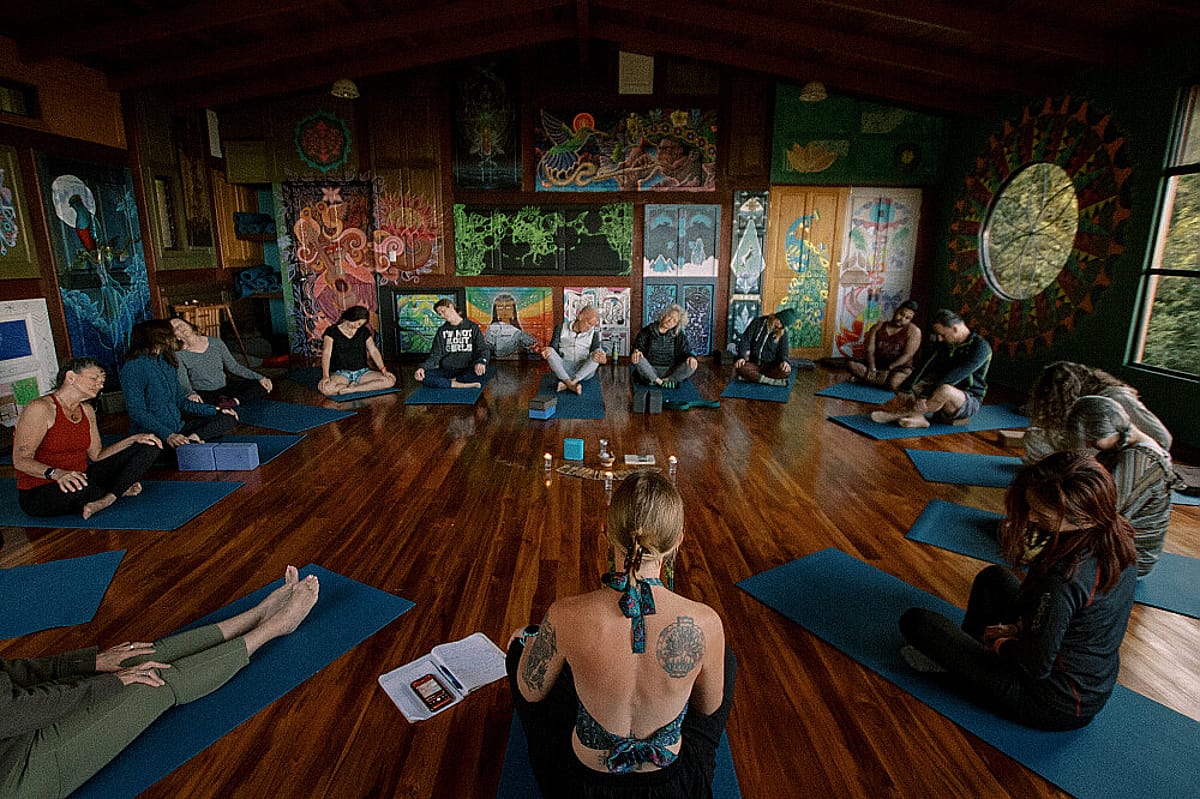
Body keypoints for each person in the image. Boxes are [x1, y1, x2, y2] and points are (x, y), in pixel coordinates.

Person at [0, 566, 319, 799]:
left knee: (137, 656)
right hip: (16, 773)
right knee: (151, 681)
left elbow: (9, 673)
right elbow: (12, 713)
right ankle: (275, 627)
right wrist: (109, 683)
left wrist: (91, 663)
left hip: (13, 728)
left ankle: (255, 615)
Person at [507, 471, 734, 798]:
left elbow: (530, 693)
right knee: (724, 659)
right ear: (678, 540)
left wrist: (527, 642)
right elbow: (709, 708)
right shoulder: (707, 622)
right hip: (672, 788)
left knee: (521, 651)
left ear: (605, 531)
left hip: (583, 787)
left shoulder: (565, 614)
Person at [898, 451, 1137, 731]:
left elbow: (1035, 667)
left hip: (1051, 700)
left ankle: (965, 664)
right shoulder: (1116, 535)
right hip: (1083, 677)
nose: (1032, 517)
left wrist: (1001, 641)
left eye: (1042, 513)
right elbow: (1065, 622)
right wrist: (1016, 629)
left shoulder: (1063, 578)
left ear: (1082, 517)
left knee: (918, 623)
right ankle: (969, 659)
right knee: (993, 578)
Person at [12, 357, 161, 519]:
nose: (100, 384)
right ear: (71, 377)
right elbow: (20, 460)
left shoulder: (87, 410)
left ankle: (107, 498)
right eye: (94, 378)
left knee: (150, 445)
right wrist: (57, 474)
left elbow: (96, 455)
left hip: (81, 477)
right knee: (87, 489)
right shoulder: (40, 408)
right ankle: (117, 490)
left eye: (102, 380)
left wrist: (133, 439)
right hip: (42, 489)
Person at [1067, 395, 1174, 577]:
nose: (1088, 444)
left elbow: (1102, 514)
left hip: (1132, 558)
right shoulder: (1126, 446)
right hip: (1117, 543)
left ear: (1110, 431)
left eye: (1092, 439)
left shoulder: (1139, 460)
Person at [120, 320, 238, 449]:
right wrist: (168, 435)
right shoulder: (133, 367)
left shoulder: (166, 362)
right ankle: (187, 445)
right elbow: (137, 412)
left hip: (179, 429)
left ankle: (192, 440)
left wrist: (216, 410)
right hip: (155, 434)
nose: (175, 336)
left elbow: (181, 401)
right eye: (170, 333)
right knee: (151, 449)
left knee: (228, 417)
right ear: (158, 337)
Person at [1024, 361, 1171, 463]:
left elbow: (1163, 439)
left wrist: (1117, 451)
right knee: (1034, 437)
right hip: (1093, 452)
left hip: (1116, 455)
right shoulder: (1077, 406)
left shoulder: (1117, 398)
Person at [870, 309, 991, 428]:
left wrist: (925, 395)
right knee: (898, 380)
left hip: (967, 399)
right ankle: (919, 417)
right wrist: (906, 387)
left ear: (955, 329)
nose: (939, 339)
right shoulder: (945, 343)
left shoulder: (981, 347)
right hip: (936, 389)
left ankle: (899, 415)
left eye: (942, 335)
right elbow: (925, 365)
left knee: (945, 390)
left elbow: (957, 374)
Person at [170, 317, 273, 408]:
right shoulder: (179, 354)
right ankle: (222, 404)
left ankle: (233, 402)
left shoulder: (216, 342)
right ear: (176, 337)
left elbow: (234, 367)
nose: (180, 328)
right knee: (195, 404)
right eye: (175, 329)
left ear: (190, 325)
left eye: (180, 324)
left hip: (225, 388)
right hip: (204, 393)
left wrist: (260, 377)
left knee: (261, 386)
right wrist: (190, 394)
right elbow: (183, 380)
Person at [318, 306, 396, 397]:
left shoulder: (363, 331)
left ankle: (354, 389)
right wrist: (325, 376)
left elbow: (373, 351)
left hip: (362, 372)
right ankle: (358, 387)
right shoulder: (331, 332)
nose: (357, 326)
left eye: (361, 324)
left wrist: (384, 370)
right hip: (341, 373)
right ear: (351, 317)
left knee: (390, 381)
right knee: (326, 388)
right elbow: (326, 354)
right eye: (357, 323)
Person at [414, 298, 488, 389]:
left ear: (451, 306)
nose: (442, 315)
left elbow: (482, 349)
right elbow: (435, 355)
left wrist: (481, 362)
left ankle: (448, 383)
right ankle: (460, 384)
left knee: (481, 372)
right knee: (423, 376)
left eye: (443, 311)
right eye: (439, 314)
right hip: (447, 370)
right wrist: (423, 368)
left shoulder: (472, 327)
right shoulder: (442, 330)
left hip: (467, 369)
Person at [847, 300, 922, 390]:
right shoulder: (878, 327)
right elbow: (869, 350)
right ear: (896, 310)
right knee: (851, 365)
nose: (902, 319)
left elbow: (907, 355)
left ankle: (868, 381)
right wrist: (872, 368)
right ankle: (878, 381)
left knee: (894, 382)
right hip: (876, 365)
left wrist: (888, 368)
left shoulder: (914, 331)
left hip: (898, 368)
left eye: (907, 318)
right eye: (901, 314)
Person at [542, 304, 606, 394]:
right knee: (550, 351)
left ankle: (569, 383)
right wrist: (547, 351)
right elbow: (553, 348)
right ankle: (571, 384)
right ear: (580, 316)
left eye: (592, 325)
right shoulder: (561, 328)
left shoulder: (593, 333)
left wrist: (602, 358)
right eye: (589, 323)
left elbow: (596, 350)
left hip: (583, 370)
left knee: (597, 352)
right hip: (563, 368)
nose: (589, 328)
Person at [631, 304, 698, 390]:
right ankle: (659, 381)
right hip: (650, 369)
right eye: (669, 316)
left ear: (676, 325)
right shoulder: (647, 331)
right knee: (637, 358)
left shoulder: (678, 335)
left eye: (674, 321)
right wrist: (637, 351)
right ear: (664, 315)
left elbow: (685, 351)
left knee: (691, 364)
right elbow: (638, 346)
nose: (670, 321)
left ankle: (667, 380)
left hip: (671, 371)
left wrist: (691, 357)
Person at [733, 307, 797, 386]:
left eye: (782, 325)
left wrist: (785, 361)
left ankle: (753, 378)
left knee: (786, 372)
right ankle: (770, 381)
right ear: (776, 316)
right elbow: (745, 340)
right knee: (739, 367)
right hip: (754, 364)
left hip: (770, 367)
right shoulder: (757, 322)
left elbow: (783, 352)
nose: (779, 325)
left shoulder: (783, 333)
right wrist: (741, 357)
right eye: (779, 321)